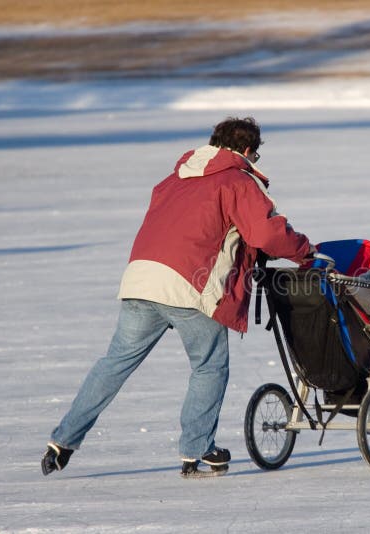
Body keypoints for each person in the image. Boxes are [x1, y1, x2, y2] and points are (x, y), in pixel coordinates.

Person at [42, 117, 313, 479]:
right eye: (256, 155)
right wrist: (305, 252)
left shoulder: (174, 179)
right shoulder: (236, 180)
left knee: (115, 363)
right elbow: (266, 233)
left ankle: (63, 441)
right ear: (247, 150)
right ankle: (196, 450)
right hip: (190, 286)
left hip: (141, 278)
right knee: (209, 365)